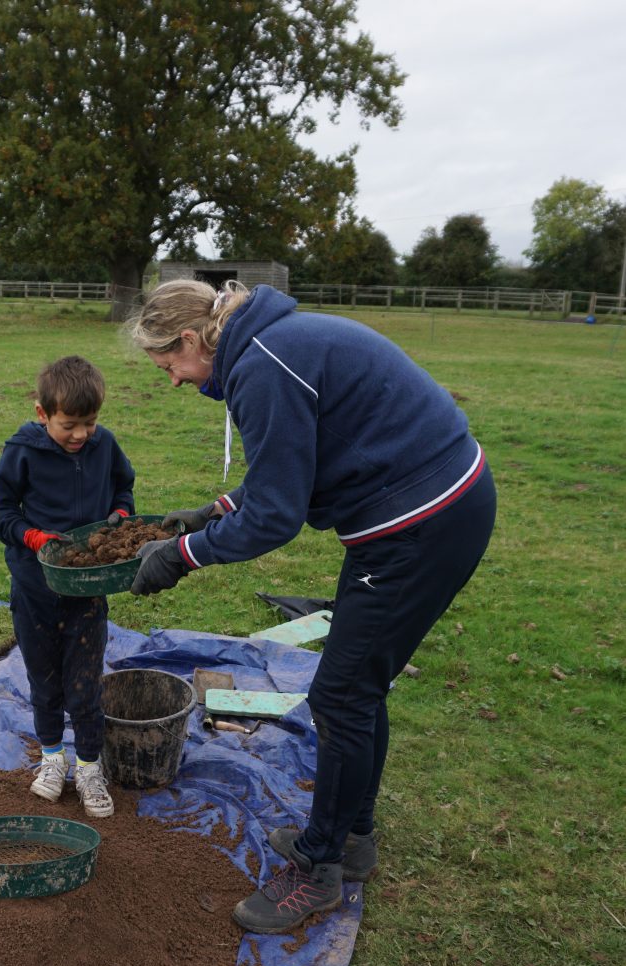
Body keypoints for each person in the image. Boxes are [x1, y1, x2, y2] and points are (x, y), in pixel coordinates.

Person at [126, 280, 496, 932]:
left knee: (340, 697)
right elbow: (291, 469)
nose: (175, 382)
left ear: (189, 340)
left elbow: (274, 518)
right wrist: (212, 512)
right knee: (356, 689)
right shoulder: (272, 344)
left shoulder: (261, 365)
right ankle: (352, 841)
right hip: (417, 513)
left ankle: (318, 869)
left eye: (169, 367)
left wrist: (182, 554)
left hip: (421, 524)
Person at [0, 355, 135, 818]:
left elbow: (123, 490)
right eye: (68, 424)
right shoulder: (22, 451)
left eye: (89, 423)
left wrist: (121, 518)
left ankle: (90, 767)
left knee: (85, 685)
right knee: (45, 682)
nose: (80, 435)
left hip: (88, 590)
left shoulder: (104, 446)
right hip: (34, 590)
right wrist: (31, 537)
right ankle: (53, 759)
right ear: (41, 414)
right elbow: (2, 512)